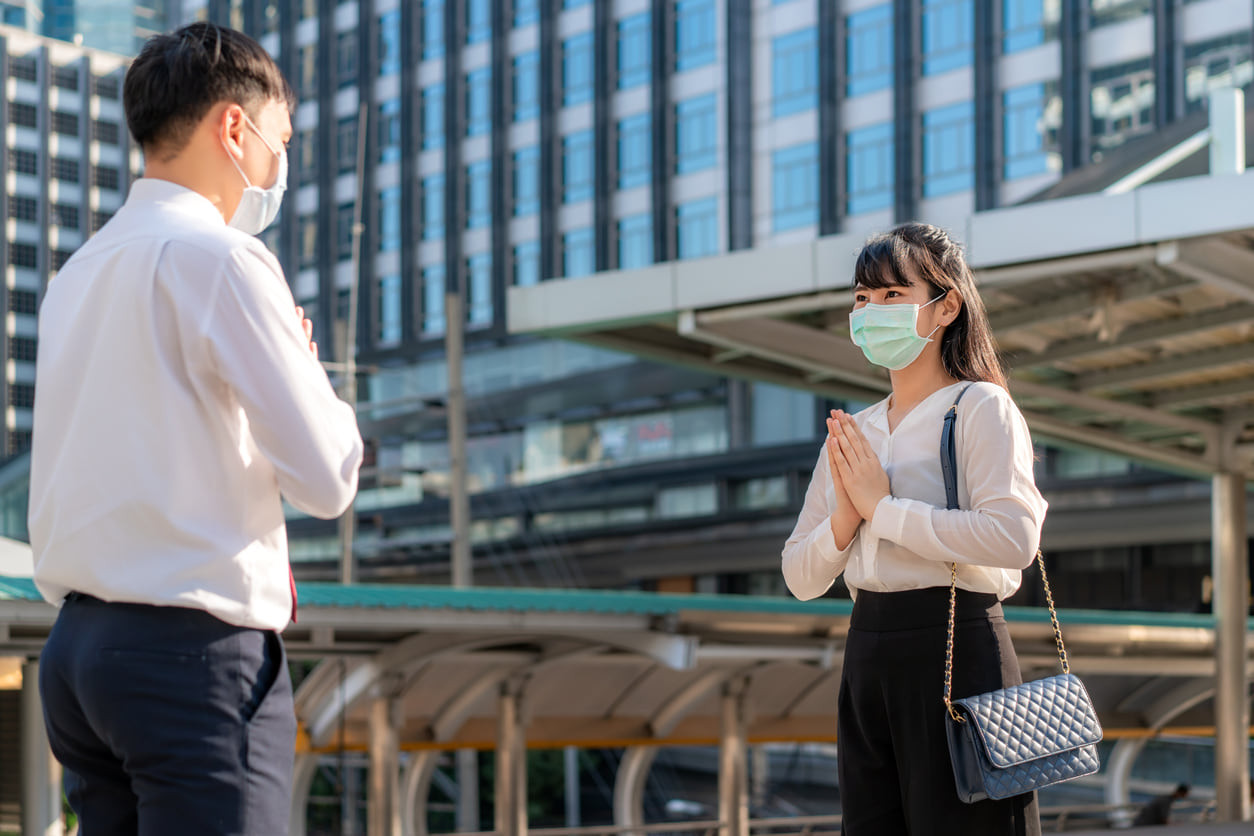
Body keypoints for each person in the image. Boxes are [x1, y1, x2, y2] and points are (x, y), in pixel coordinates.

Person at [31, 23, 363, 836]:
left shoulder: (78, 274)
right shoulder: (221, 260)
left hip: (77, 654)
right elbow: (326, 480)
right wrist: (309, 372)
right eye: (280, 141)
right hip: (190, 660)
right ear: (233, 128)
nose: (279, 167)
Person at [781, 223, 1047, 836]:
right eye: (861, 299)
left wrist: (883, 510)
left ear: (946, 304)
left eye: (893, 295)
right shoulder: (857, 430)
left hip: (959, 639)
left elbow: (1013, 538)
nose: (871, 312)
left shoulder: (980, 406)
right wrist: (846, 521)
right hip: (868, 645)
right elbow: (799, 574)